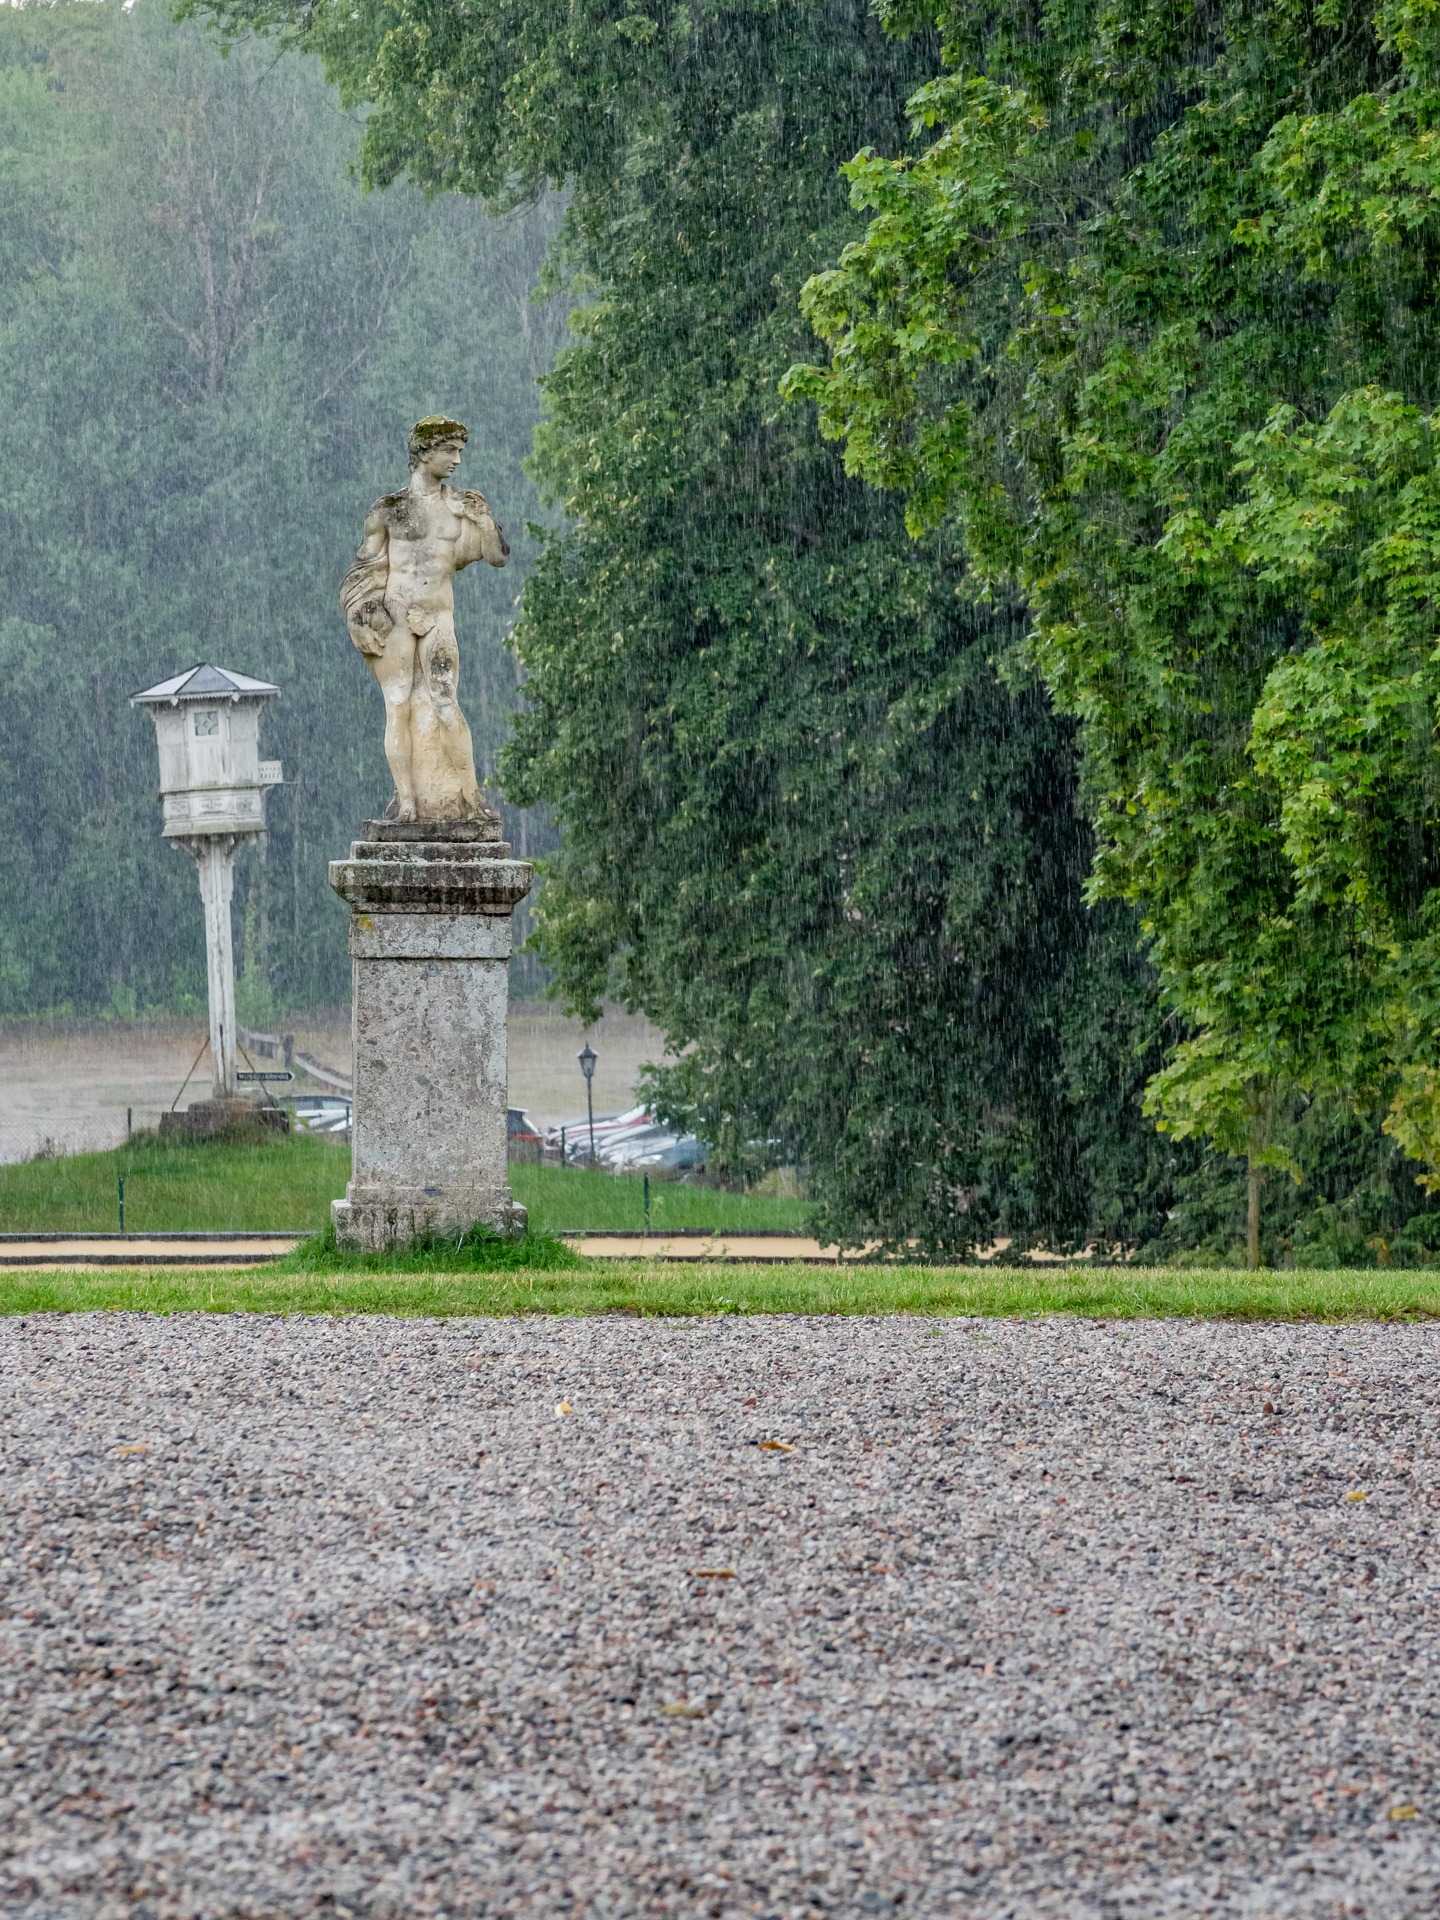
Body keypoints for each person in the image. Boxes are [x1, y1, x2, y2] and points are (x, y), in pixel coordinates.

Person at [340, 415, 510, 823]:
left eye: (460, 452)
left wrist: (485, 520)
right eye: (450, 451)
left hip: (437, 617)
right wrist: (361, 614)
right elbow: (363, 570)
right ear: (424, 454)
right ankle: (408, 802)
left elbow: (497, 556)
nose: (457, 460)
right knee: (397, 707)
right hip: (396, 618)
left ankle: (472, 797)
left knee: (445, 702)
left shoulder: (461, 506)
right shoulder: (389, 509)